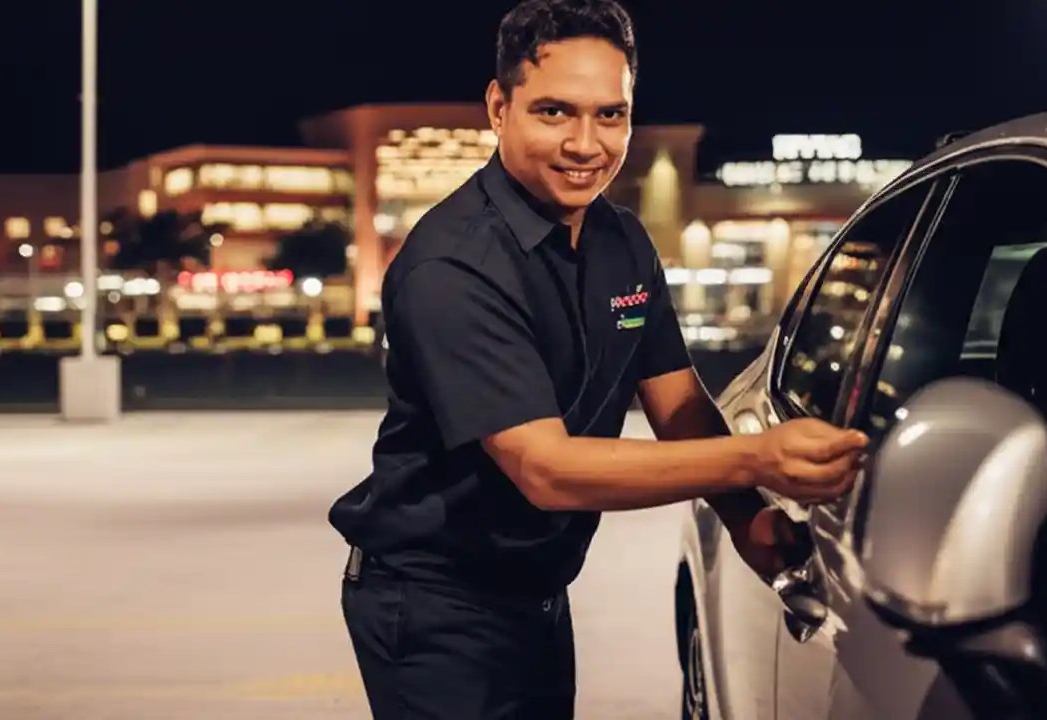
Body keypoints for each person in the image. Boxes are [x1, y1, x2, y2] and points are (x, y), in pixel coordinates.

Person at [327, 1, 869, 717]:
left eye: (610, 115)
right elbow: (546, 470)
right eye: (554, 112)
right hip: (433, 603)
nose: (586, 144)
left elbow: (678, 407)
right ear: (499, 108)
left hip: (536, 593)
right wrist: (757, 459)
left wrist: (745, 519)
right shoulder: (453, 265)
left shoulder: (622, 242)